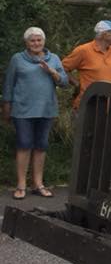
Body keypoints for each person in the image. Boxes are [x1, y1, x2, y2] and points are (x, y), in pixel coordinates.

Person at [3, 27, 69, 199]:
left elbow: (64, 82)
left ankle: (38, 184)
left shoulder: (53, 58)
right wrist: (6, 107)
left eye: (39, 40)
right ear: (26, 42)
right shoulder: (17, 59)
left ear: (44, 41)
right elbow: (9, 85)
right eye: (32, 40)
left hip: (46, 109)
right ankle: (21, 185)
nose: (36, 43)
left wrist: (52, 72)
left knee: (41, 146)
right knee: (24, 144)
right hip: (22, 110)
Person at [61, 20, 111, 111]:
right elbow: (62, 68)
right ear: (105, 34)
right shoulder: (83, 50)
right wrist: (77, 84)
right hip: (87, 104)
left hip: (109, 105)